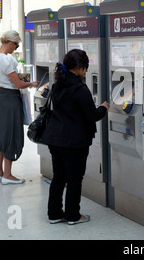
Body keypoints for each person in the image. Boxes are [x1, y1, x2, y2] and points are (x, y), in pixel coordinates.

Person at [40, 49, 109, 225]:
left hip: (55, 139)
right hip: (74, 142)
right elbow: (92, 115)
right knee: (74, 179)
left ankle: (54, 214)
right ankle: (73, 215)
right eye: (85, 67)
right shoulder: (79, 89)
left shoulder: (57, 85)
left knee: (58, 177)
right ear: (78, 67)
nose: (86, 71)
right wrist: (104, 108)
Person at [0, 30, 39, 185]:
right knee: (10, 133)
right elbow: (18, 84)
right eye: (16, 46)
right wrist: (32, 83)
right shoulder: (8, 60)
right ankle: (8, 175)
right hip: (10, 100)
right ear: (11, 43)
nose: (16, 49)